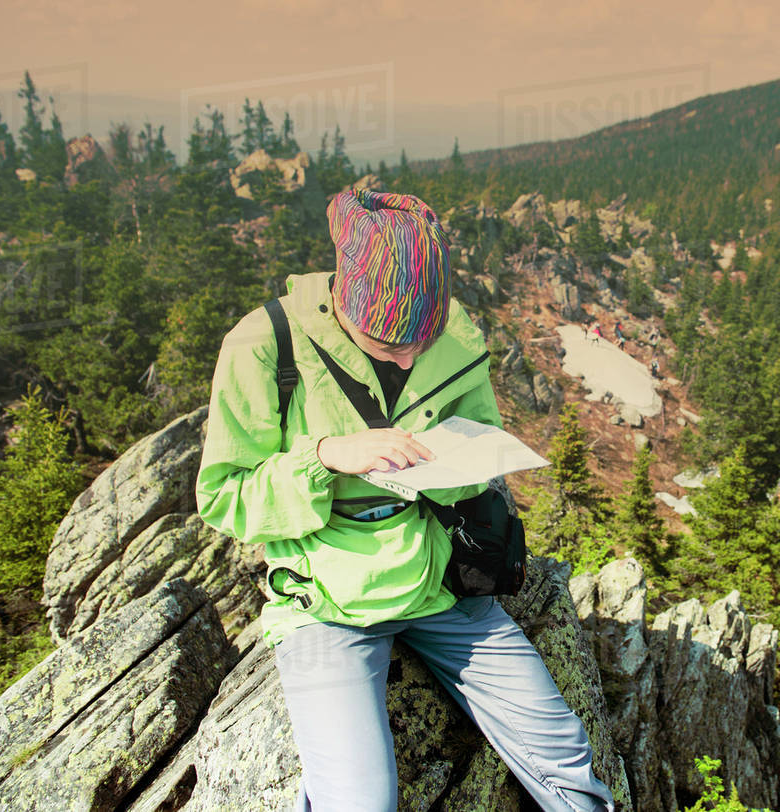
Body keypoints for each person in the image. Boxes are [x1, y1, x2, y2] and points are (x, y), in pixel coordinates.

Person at [196, 189, 614, 812]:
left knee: (562, 753)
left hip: (435, 575)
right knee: (359, 800)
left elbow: (479, 437)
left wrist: (454, 469)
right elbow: (225, 498)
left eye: (421, 340)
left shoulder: (457, 332)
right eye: (388, 347)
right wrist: (327, 456)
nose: (410, 356)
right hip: (321, 596)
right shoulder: (264, 344)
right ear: (341, 299)